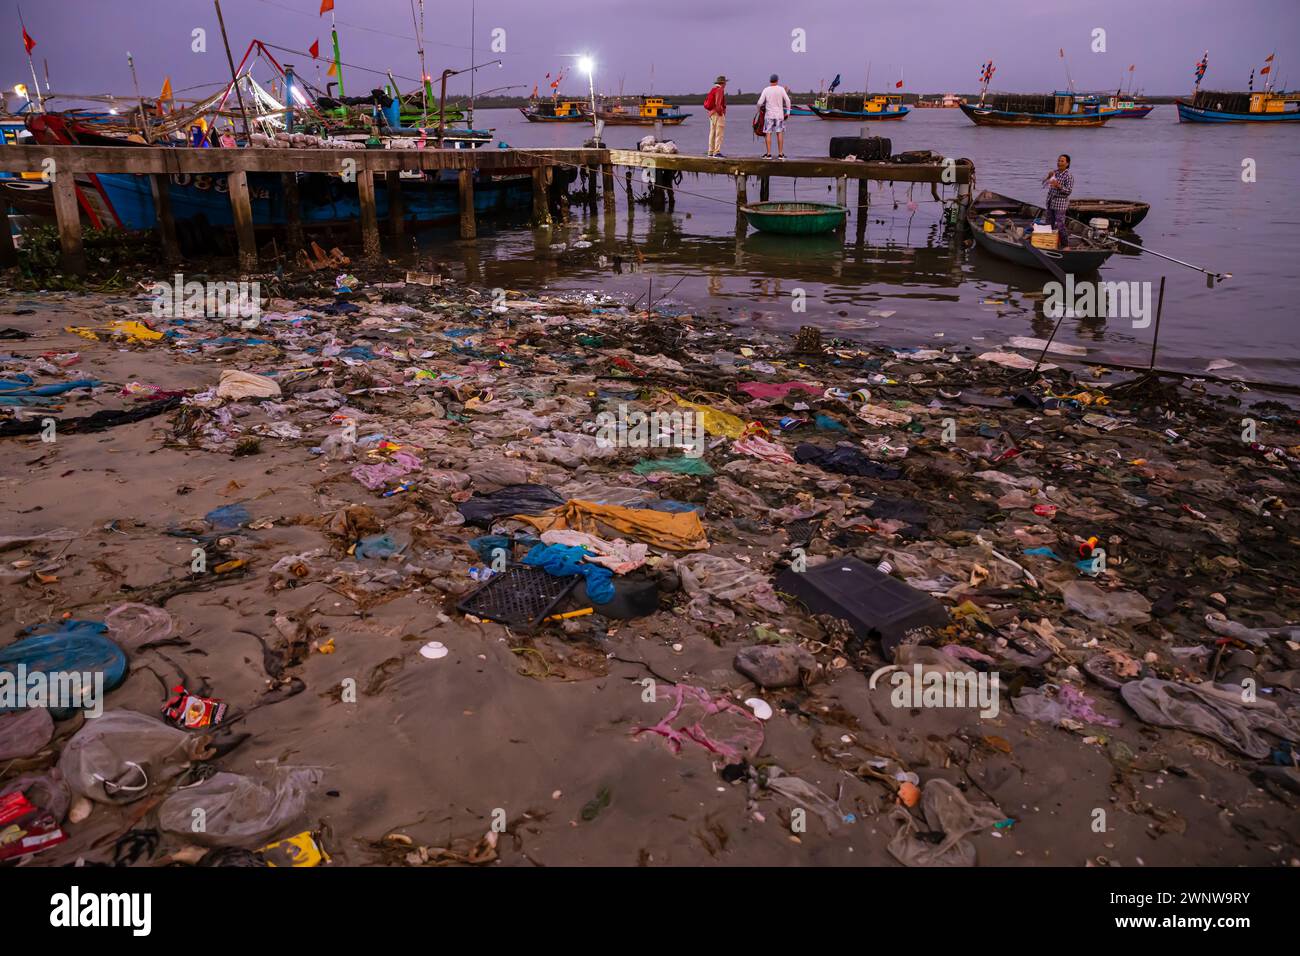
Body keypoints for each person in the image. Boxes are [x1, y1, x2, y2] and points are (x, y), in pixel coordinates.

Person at [756, 73, 791, 160]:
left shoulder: (766, 90)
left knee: (768, 133)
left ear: (770, 81)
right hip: (779, 115)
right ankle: (780, 154)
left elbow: (759, 102)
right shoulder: (781, 89)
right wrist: (788, 112)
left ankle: (768, 154)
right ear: (777, 81)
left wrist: (758, 110)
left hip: (769, 115)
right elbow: (788, 100)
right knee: (779, 133)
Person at [1043, 153, 1074, 245]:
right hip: (1050, 201)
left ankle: (1065, 244)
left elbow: (1068, 191)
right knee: (1048, 224)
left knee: (1060, 225)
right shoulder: (1054, 173)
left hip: (1060, 204)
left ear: (1067, 164)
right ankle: (1049, 242)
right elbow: (1044, 184)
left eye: (1062, 161)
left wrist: (1058, 186)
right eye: (1058, 160)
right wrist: (1048, 177)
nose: (1059, 163)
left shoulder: (1068, 176)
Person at [704, 74, 727, 157]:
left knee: (712, 132)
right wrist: (721, 113)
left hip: (711, 114)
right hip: (717, 114)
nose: (726, 85)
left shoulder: (713, 89)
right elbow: (718, 103)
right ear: (723, 83)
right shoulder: (720, 90)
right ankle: (717, 152)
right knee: (719, 133)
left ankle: (710, 151)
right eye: (725, 83)